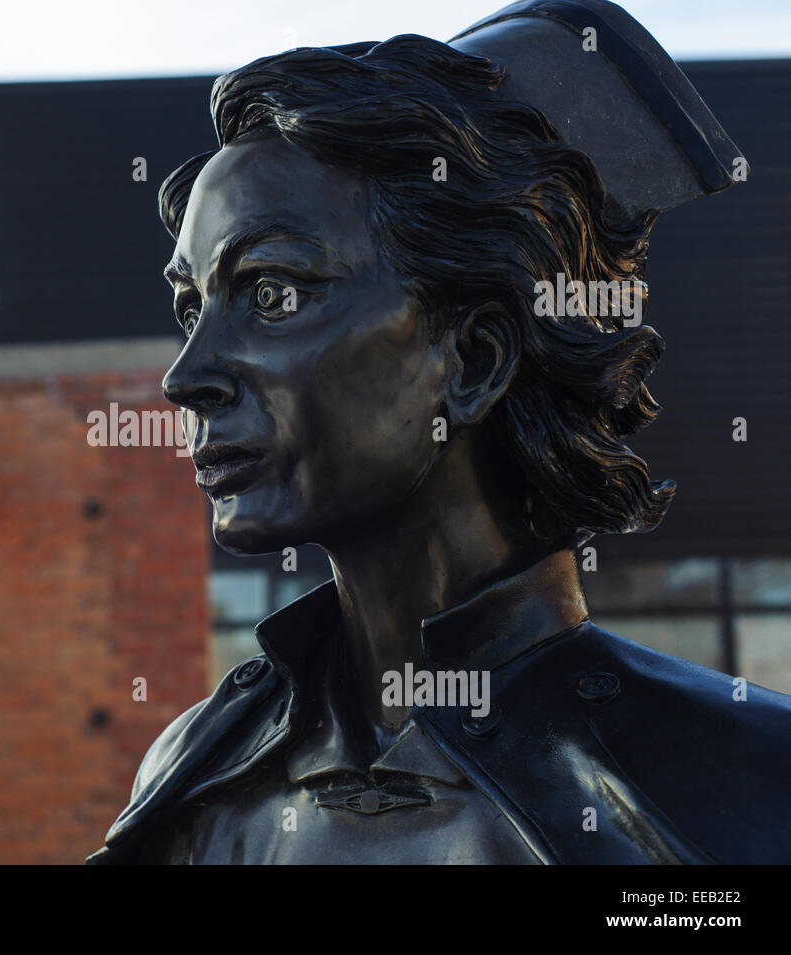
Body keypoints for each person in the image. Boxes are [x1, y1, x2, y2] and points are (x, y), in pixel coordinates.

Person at [88, 0, 791, 864]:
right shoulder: (192, 786)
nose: (185, 375)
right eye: (191, 306)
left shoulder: (744, 781)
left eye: (272, 293)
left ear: (474, 359)